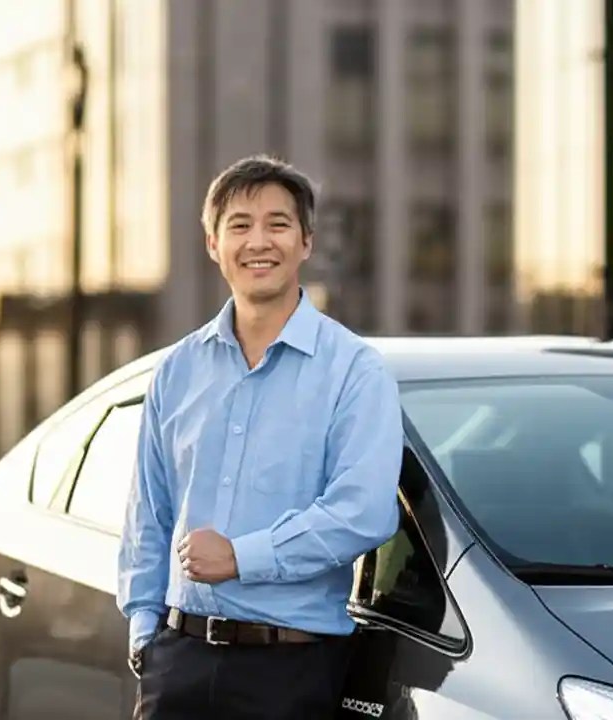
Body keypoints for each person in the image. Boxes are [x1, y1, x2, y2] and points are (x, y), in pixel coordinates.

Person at [117, 154, 404, 719]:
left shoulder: (353, 370)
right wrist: (145, 632)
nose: (259, 242)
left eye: (278, 224)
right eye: (240, 225)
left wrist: (242, 557)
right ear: (212, 243)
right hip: (178, 663)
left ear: (306, 243)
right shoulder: (178, 370)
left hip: (290, 672)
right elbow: (149, 512)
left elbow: (363, 512)